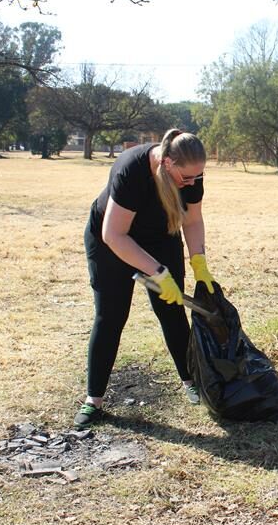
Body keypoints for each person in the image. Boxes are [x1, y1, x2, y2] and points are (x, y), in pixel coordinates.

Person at [73, 129, 217, 429]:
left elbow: (192, 219)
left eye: (197, 177)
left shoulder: (189, 172)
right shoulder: (132, 169)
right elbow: (114, 235)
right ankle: (94, 400)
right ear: (166, 164)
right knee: (110, 316)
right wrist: (158, 273)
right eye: (186, 178)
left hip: (160, 236)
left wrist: (199, 264)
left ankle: (190, 381)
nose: (192, 183)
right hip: (110, 241)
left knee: (172, 309)